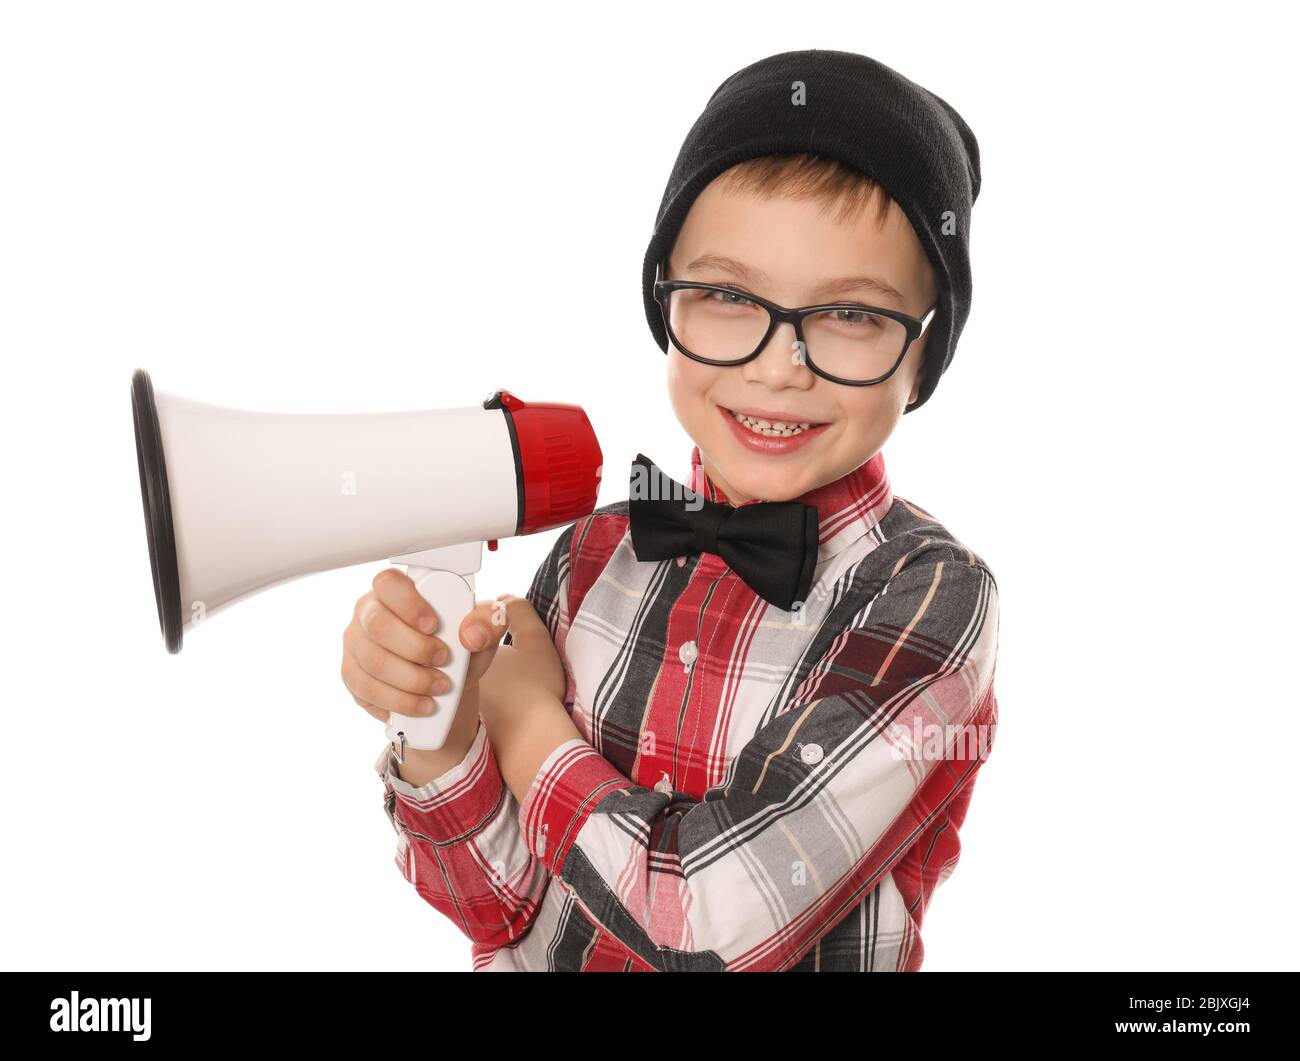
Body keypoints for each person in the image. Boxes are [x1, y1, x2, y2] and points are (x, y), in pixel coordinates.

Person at [342, 49, 1000, 971]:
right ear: (665, 303)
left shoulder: (929, 598)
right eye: (729, 296)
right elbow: (496, 907)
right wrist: (441, 735)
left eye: (851, 314)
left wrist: (530, 725)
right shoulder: (594, 552)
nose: (781, 366)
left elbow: (715, 925)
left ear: (923, 358)